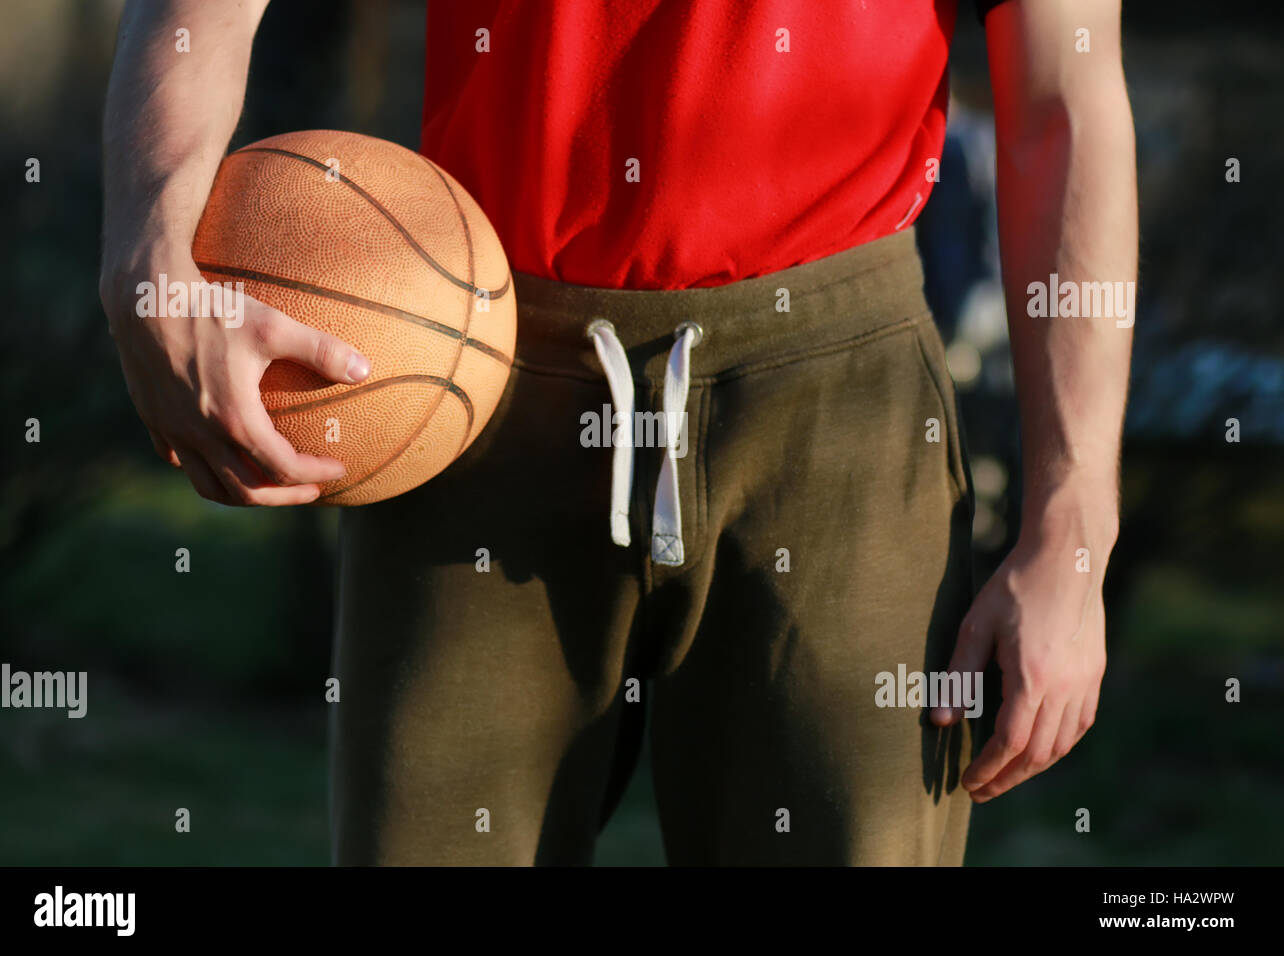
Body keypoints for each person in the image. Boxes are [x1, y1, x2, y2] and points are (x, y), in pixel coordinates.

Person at [99, 0, 1135, 865]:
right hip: (463, 377)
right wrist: (149, 243)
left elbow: (1064, 94)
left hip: (837, 394)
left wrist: (1072, 527)